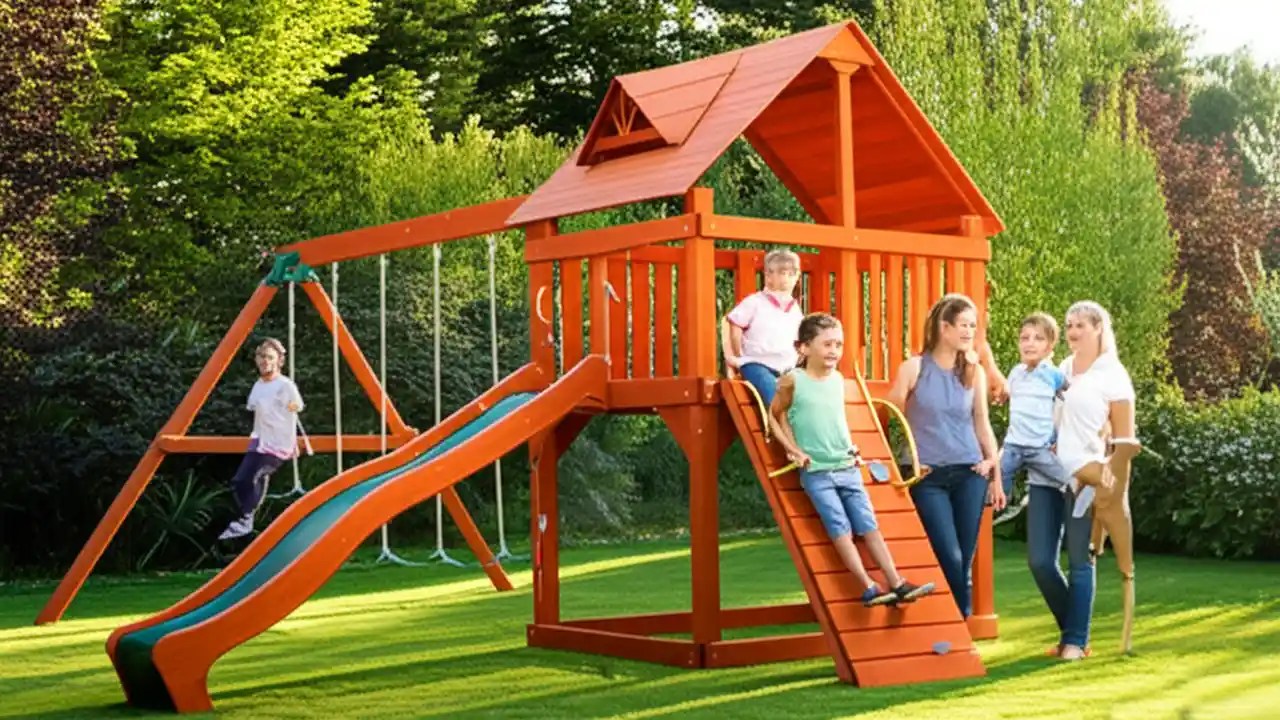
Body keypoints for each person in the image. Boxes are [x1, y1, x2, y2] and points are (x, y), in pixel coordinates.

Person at [770, 313, 935, 607]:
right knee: (840, 528)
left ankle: (896, 582)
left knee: (869, 525)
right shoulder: (793, 381)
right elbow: (775, 415)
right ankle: (868, 585)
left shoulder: (837, 380)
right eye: (827, 344)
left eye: (839, 344)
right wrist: (793, 450)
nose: (834, 350)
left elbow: (835, 421)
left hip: (847, 466)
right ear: (804, 348)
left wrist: (852, 449)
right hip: (817, 472)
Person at [886, 293, 1005, 618]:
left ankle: (955, 627)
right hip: (927, 476)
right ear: (944, 326)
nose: (969, 332)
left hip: (970, 473)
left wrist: (994, 469)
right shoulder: (914, 368)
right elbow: (888, 415)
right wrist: (901, 462)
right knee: (949, 555)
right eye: (964, 325)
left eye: (973, 326)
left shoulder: (974, 372)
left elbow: (981, 423)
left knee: (964, 558)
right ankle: (957, 620)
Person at [1031, 300, 1136, 661]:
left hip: (1086, 479)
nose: (1072, 332)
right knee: (1040, 561)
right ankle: (1073, 630)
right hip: (1047, 474)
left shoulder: (1113, 375)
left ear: (1098, 329)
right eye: (1069, 325)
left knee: (1080, 558)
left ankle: (1075, 642)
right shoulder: (1061, 369)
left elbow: (1125, 440)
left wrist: (1111, 484)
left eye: (1080, 325)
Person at [218, 338, 305, 540]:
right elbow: (253, 409)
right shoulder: (258, 385)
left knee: (253, 476)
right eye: (262, 356)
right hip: (259, 440)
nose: (265, 361)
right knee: (240, 481)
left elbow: (297, 405)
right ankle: (246, 521)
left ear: (278, 361)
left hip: (278, 443)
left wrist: (288, 408)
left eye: (269, 357)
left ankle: (245, 521)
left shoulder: (285, 385)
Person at [995, 312, 1069, 524]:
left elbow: (1068, 397)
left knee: (1068, 479)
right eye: (1025, 338)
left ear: (1049, 346)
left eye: (1038, 338)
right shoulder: (1016, 372)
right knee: (998, 478)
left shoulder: (1053, 374)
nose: (1030, 343)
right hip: (1013, 446)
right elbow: (1009, 395)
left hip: (1039, 448)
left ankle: (1075, 509)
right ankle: (998, 508)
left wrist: (1057, 438)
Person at [723, 248, 803, 407]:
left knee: (806, 389)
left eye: (791, 273)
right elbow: (735, 323)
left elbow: (799, 336)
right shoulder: (755, 302)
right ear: (767, 276)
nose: (787, 278)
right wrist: (738, 353)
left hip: (787, 365)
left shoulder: (795, 309)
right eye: (781, 273)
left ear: (797, 277)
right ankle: (780, 424)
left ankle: (798, 423)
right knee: (770, 389)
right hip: (757, 362)